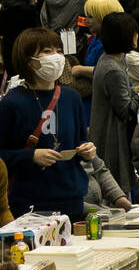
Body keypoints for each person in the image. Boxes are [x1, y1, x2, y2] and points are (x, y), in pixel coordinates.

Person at [0, 27, 94, 218]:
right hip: (29, 204)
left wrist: (87, 150)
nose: (56, 57)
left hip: (72, 198)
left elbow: (80, 141)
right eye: (46, 51)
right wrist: (30, 156)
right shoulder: (11, 103)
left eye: (58, 51)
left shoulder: (71, 97)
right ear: (28, 60)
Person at [88, 13, 139, 196]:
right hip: (112, 139)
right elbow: (126, 109)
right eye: (134, 32)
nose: (137, 36)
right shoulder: (112, 69)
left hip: (107, 134)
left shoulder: (110, 61)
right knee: (117, 192)